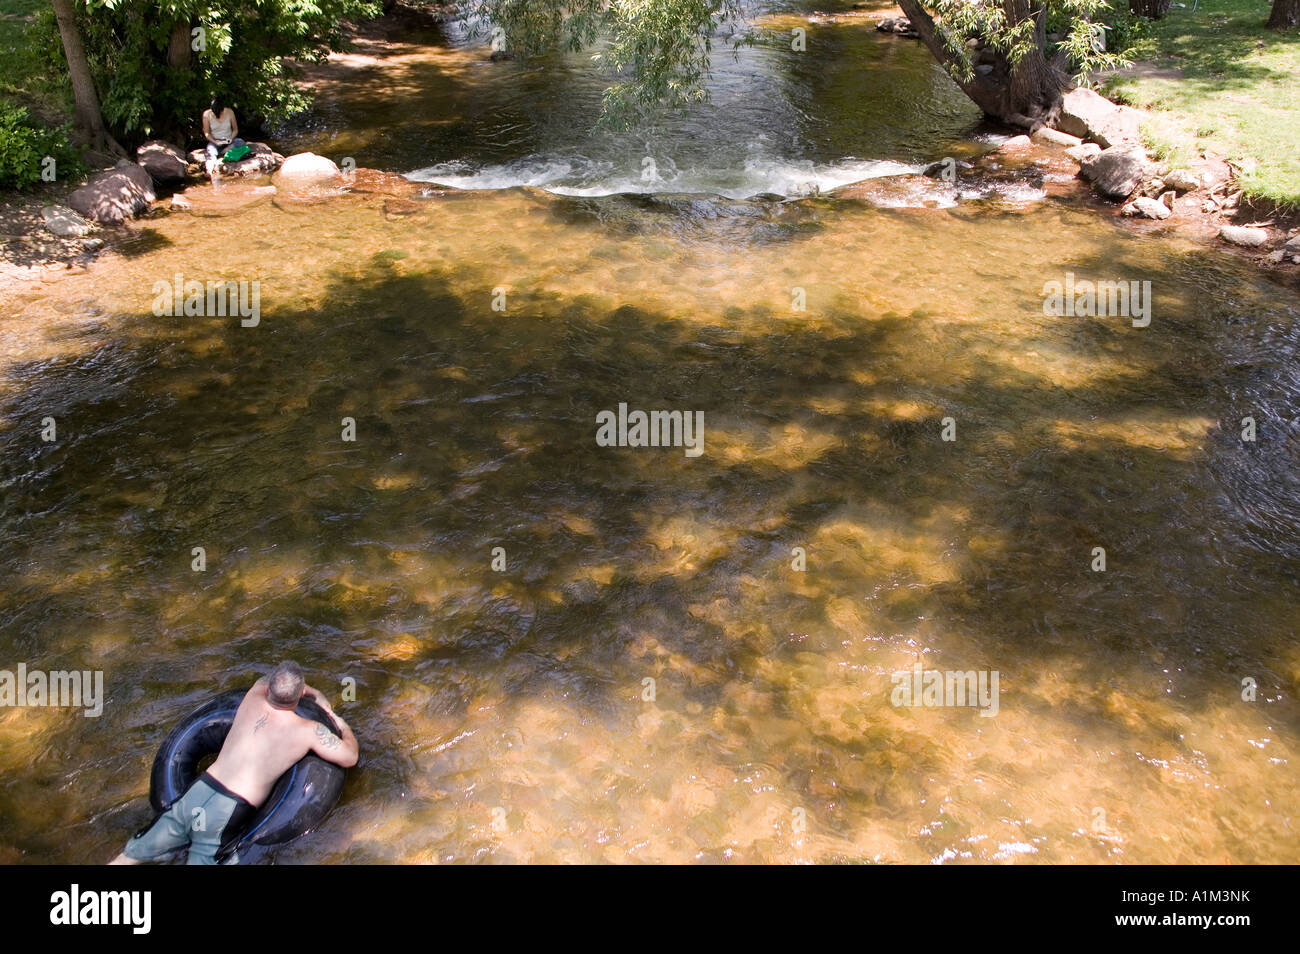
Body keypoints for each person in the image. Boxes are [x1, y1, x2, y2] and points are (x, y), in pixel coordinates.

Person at [110, 661, 358, 865]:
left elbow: (271, 679)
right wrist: (333, 715)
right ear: (301, 694)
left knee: (131, 855)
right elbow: (350, 756)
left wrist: (307, 690)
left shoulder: (253, 696)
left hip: (200, 789)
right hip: (229, 809)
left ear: (270, 689)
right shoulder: (308, 731)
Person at [201, 96, 245, 170]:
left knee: (240, 142)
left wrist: (231, 138)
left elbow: (235, 130)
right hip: (215, 141)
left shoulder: (230, 112)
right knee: (210, 151)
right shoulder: (206, 114)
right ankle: (209, 171)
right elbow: (206, 133)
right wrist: (215, 141)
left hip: (229, 141)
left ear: (223, 109)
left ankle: (222, 152)